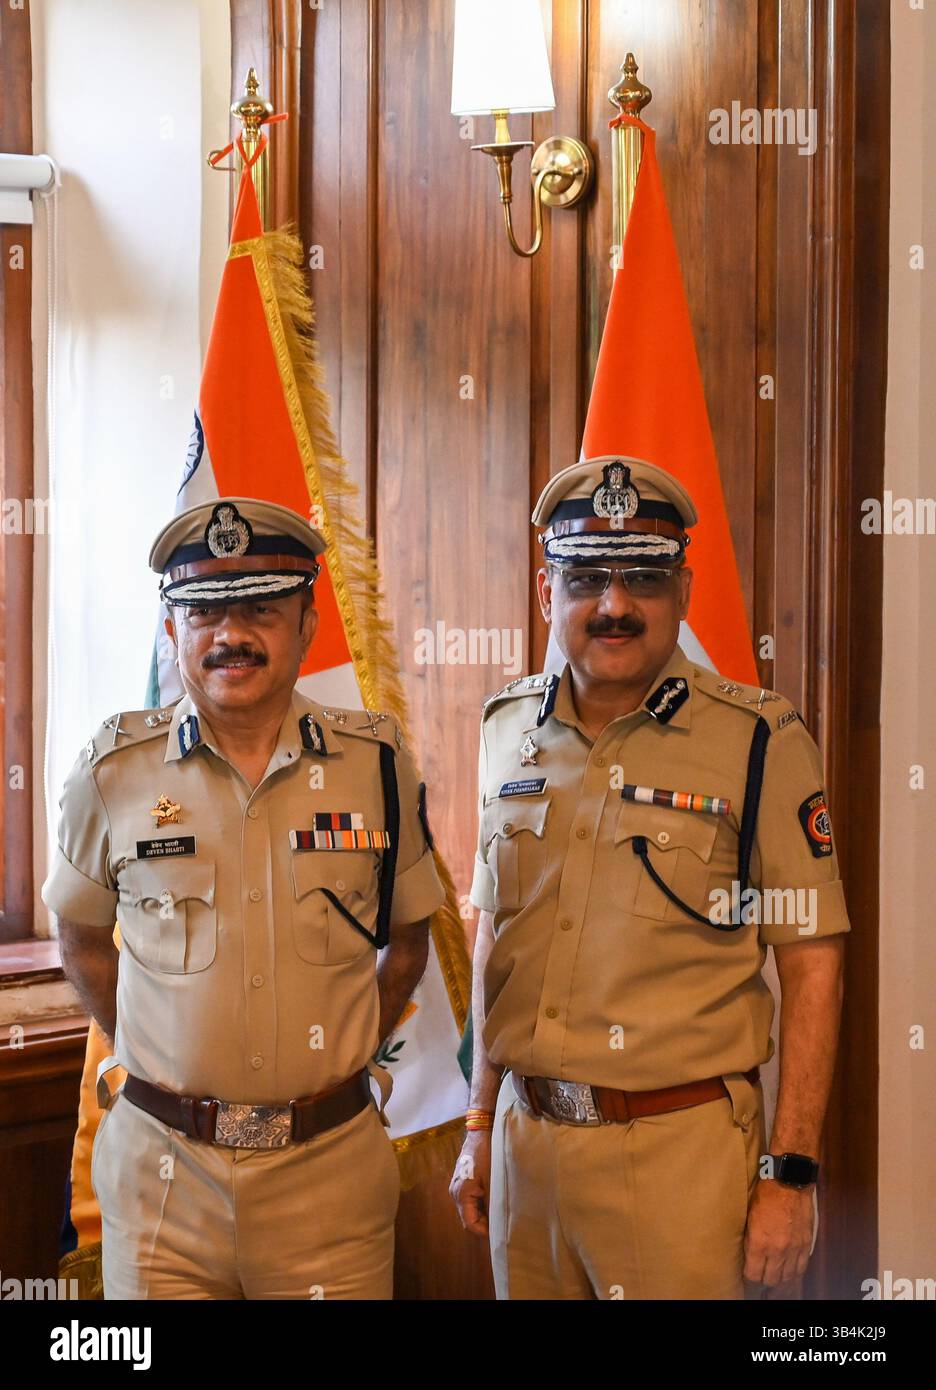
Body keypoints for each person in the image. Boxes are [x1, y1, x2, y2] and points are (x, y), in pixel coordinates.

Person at [449, 455, 849, 1300]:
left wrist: (793, 1172)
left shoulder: (758, 740)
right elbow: (496, 941)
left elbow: (814, 963)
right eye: (587, 577)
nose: (616, 604)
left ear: (685, 592)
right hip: (526, 1153)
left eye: (644, 578)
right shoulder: (504, 727)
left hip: (679, 1156)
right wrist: (479, 1121)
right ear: (546, 593)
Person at [42, 496, 444, 1300]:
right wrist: (161, 1056)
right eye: (205, 613)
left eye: (260, 608)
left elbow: (408, 940)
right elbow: (80, 938)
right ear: (171, 631)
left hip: (330, 1178)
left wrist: (336, 1054)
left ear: (307, 623)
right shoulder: (112, 770)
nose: (231, 635)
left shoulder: (377, 766)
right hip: (164, 1179)